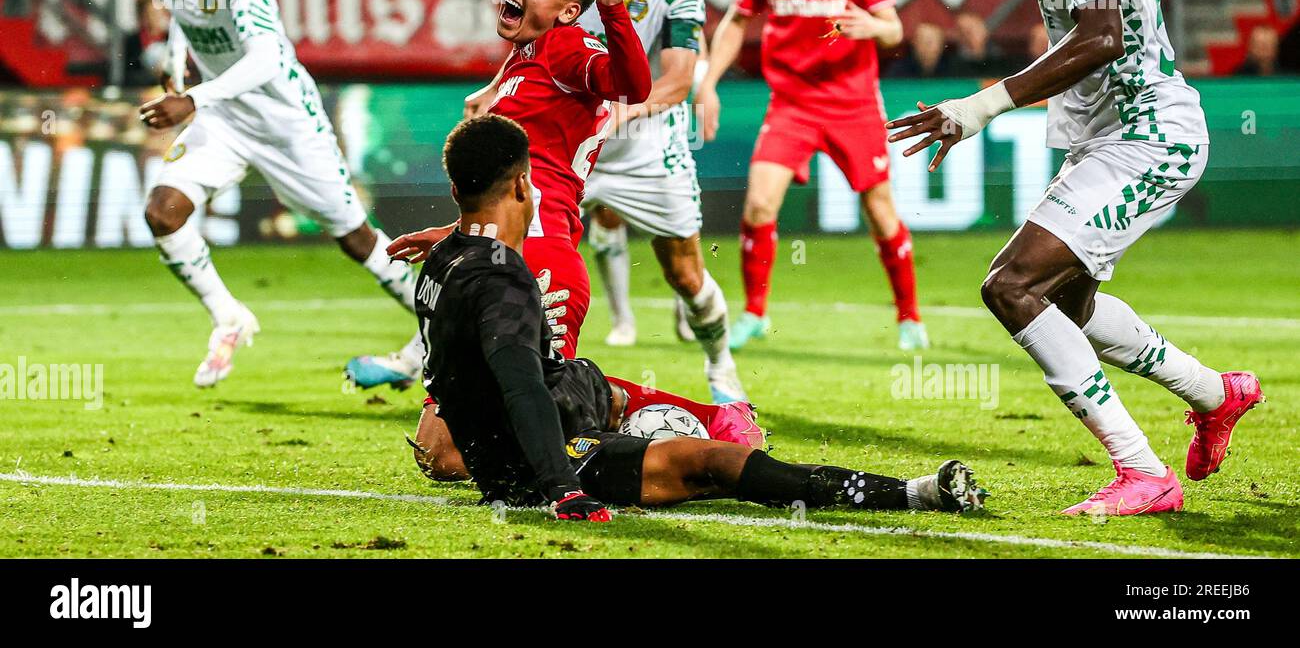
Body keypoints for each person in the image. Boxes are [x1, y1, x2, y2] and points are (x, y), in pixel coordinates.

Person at [886, 0, 1270, 515]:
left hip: (1149, 131)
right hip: (1113, 132)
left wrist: (978, 107)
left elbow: (1102, 36)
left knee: (1013, 286)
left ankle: (1143, 473)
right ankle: (1216, 394)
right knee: (1067, 299)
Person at [407, 112, 986, 519]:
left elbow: (456, 379)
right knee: (716, 464)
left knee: (593, 384)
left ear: (457, 190)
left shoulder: (444, 261)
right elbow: (521, 390)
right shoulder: (504, 277)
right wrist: (562, 487)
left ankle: (709, 413)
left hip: (539, 415)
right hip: (536, 465)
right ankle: (916, 493)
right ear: (525, 186)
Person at [348, 0, 761, 448]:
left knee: (544, 405)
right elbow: (512, 185)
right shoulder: (525, 58)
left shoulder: (569, 47)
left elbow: (630, 86)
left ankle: (713, 418)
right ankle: (609, 433)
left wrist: (614, 11)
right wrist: (456, 234)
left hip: (539, 258)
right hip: (496, 252)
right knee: (440, 451)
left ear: (568, 11)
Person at [137, 0, 418, 388]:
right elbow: (181, 11)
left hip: (286, 119)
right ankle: (228, 316)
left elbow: (266, 58)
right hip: (224, 118)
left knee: (354, 237)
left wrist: (190, 99)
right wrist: (176, 64)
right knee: (163, 211)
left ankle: (438, 321)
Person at [697, 0, 925, 352]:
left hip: (853, 104)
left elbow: (894, 30)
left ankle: (909, 316)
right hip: (792, 105)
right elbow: (737, 20)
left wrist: (873, 26)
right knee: (758, 203)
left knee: (880, 211)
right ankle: (755, 312)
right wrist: (709, 81)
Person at [570, 0, 743, 401]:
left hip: (648, 147)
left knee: (686, 276)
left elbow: (678, 77)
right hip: (572, 142)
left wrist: (627, 109)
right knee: (516, 253)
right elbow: (527, 35)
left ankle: (721, 368)